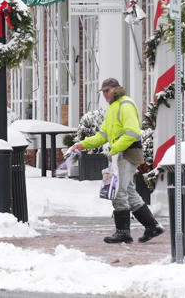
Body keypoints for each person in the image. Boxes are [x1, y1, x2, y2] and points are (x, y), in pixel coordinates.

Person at [70, 78, 164, 244]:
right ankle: (152, 226)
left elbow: (133, 133)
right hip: (121, 154)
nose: (105, 94)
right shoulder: (113, 108)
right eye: (103, 92)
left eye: (107, 91)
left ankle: (123, 232)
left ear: (115, 89)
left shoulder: (125, 105)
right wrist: (82, 144)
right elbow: (103, 136)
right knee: (128, 191)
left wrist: (115, 149)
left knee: (118, 191)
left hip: (127, 153)